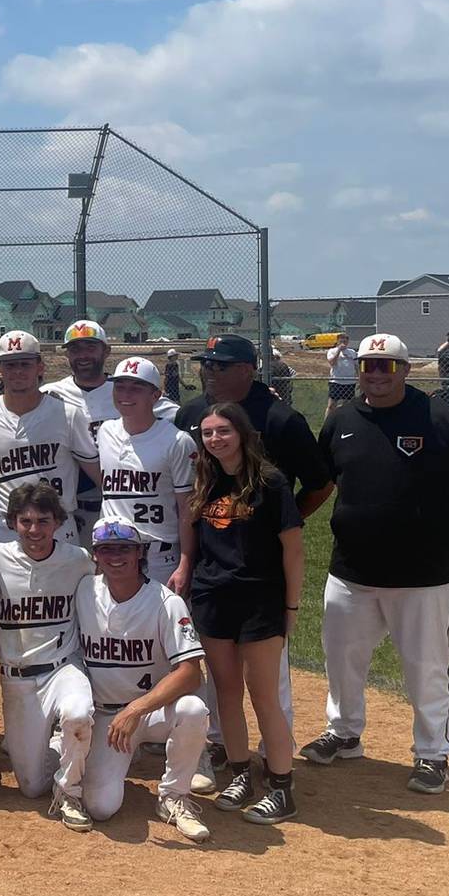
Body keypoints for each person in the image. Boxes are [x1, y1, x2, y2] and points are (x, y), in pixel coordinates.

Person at [303, 333, 449, 794]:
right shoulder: (343, 420)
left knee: (427, 666)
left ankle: (432, 754)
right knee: (343, 659)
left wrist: (427, 522)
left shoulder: (443, 420)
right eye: (368, 364)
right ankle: (345, 732)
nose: (375, 373)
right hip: (351, 571)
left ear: (406, 371)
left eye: (386, 366)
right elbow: (325, 481)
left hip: (426, 574)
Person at [174, 333, 332, 786]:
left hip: (259, 582)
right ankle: (228, 753)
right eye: (206, 364)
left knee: (268, 687)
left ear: (248, 369)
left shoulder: (282, 420)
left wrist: (277, 527)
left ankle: (275, 762)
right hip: (213, 577)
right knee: (222, 683)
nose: (210, 372)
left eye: (221, 366)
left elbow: (320, 483)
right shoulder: (189, 415)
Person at [188, 404, 304, 824]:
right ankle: (240, 774)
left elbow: (293, 549)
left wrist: (291, 606)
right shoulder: (205, 480)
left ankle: (281, 786)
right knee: (226, 693)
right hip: (214, 597)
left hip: (260, 599)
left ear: (241, 432)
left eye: (223, 431)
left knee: (264, 695)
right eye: (207, 433)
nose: (215, 439)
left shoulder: (269, 482)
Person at [76, 516, 211, 843]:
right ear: (95, 554)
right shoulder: (83, 591)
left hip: (149, 713)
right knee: (101, 807)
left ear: (140, 552)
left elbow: (191, 672)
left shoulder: (166, 602)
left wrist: (135, 709)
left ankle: (174, 796)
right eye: (106, 549)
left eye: (124, 547)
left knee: (193, 710)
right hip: (107, 718)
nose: (115, 556)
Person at [0, 482, 96, 830]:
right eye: (26, 521)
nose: (34, 530)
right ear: (12, 522)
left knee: (79, 713)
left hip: (62, 667)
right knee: (32, 787)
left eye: (43, 521)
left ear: (58, 523)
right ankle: (57, 741)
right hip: (18, 678)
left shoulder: (78, 560)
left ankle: (69, 791)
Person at [41, 320, 177, 547]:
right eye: (75, 349)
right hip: (71, 505)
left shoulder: (124, 390)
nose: (83, 355)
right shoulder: (50, 393)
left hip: (122, 501)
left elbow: (176, 413)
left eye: (90, 347)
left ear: (106, 350)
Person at [0, 331, 98, 547]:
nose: (18, 371)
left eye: (25, 364)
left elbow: (98, 475)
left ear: (40, 366)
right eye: (9, 365)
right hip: (3, 531)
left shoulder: (68, 414)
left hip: (58, 528)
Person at [95, 357, 197, 591]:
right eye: (120, 386)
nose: (125, 395)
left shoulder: (177, 441)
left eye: (136, 388)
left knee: (163, 625)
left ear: (155, 395)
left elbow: (187, 509)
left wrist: (185, 563)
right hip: (113, 552)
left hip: (159, 556)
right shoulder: (106, 432)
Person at [323, 332, 358, 422]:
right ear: (337, 341)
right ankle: (327, 422)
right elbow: (332, 363)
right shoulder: (332, 351)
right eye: (341, 340)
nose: (344, 342)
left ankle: (344, 421)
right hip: (336, 381)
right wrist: (339, 350)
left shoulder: (352, 352)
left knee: (347, 405)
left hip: (349, 382)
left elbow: (356, 366)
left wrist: (359, 378)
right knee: (331, 405)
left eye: (345, 341)